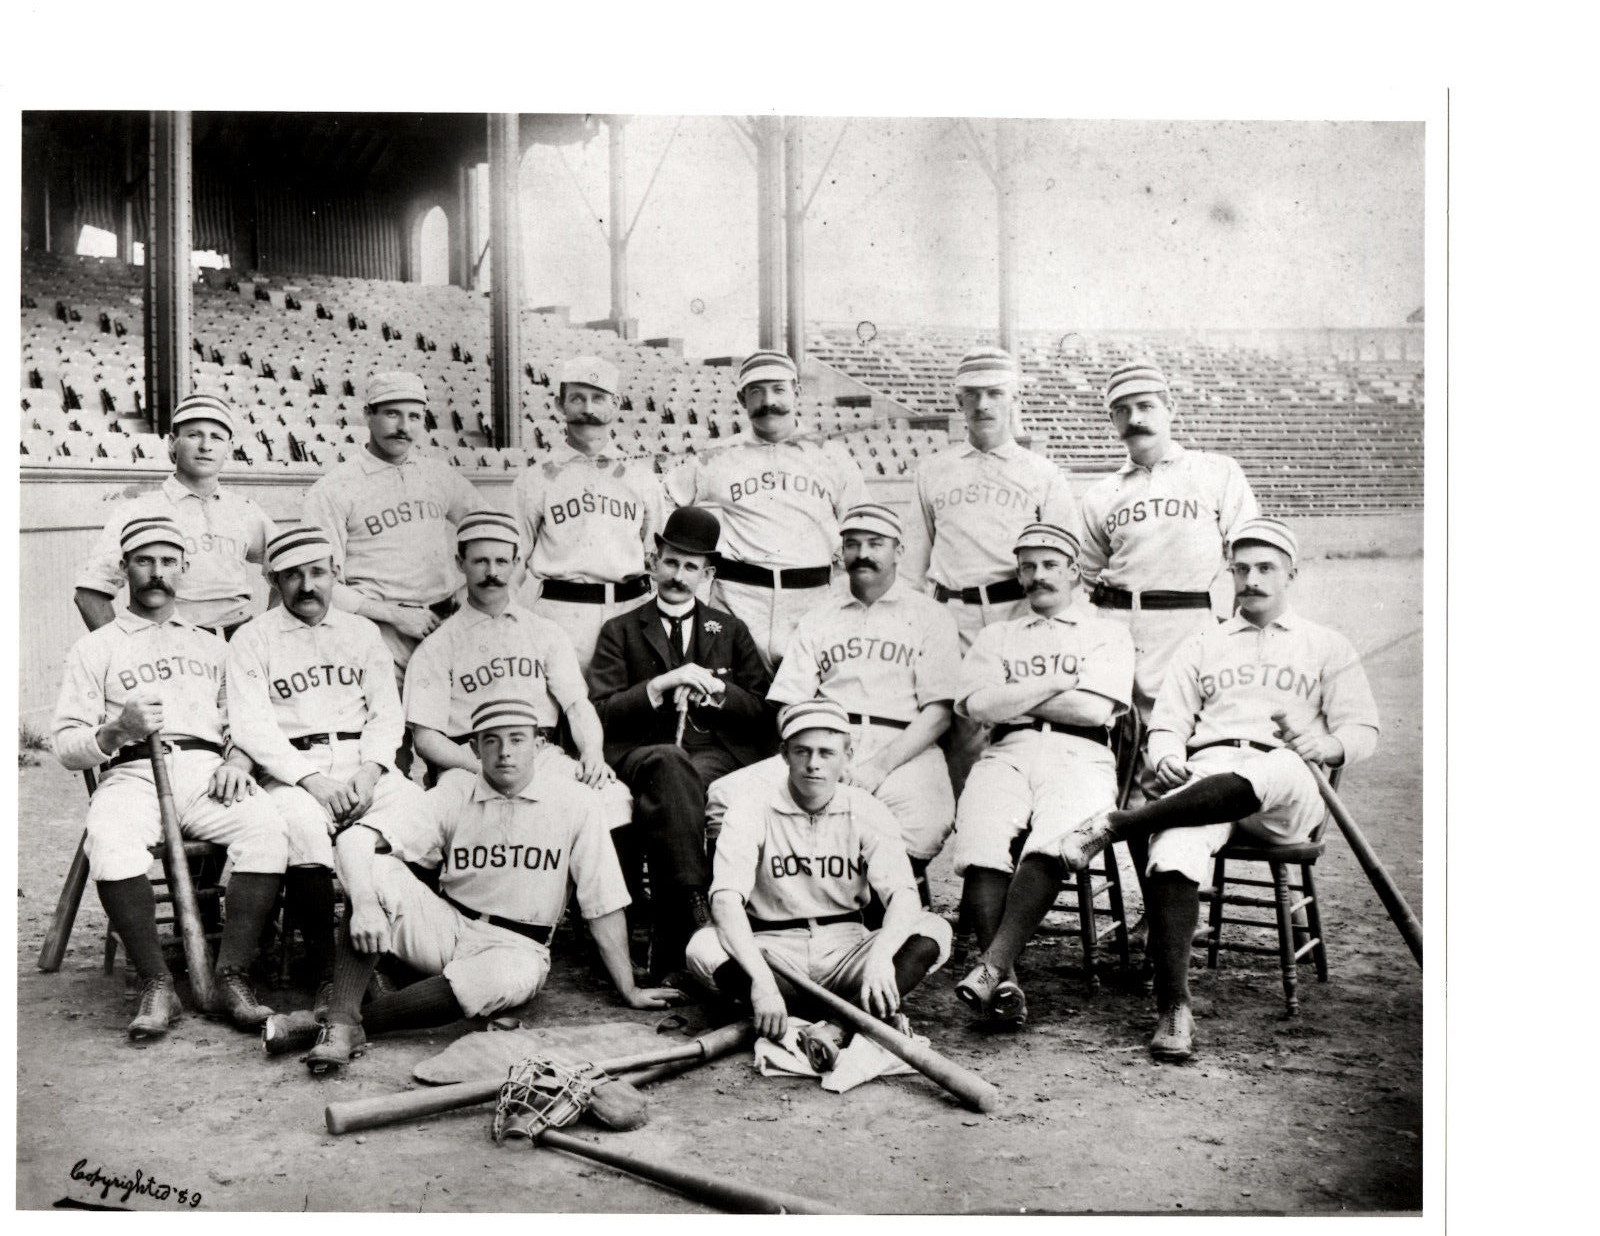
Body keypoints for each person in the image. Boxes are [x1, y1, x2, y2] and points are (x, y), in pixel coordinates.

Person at [1075, 517, 1379, 1062]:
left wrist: (1325, 746)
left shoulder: (1326, 645)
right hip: (1209, 779)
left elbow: (1362, 730)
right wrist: (1166, 754)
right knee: (1172, 853)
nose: (1252, 579)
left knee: (1276, 766)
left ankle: (1121, 825)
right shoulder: (1204, 642)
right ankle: (1175, 1008)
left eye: (1265, 568)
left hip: (1289, 787)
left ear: (1291, 573)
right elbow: (1167, 722)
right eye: (1241, 569)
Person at [269, 699, 682, 1073]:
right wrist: (365, 905)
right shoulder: (455, 793)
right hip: (448, 926)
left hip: (517, 946)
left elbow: (602, 902)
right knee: (374, 873)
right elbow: (354, 839)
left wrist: (628, 987)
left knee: (494, 978)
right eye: (492, 741)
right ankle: (341, 1021)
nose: (505, 752)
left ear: (538, 745)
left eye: (517, 739)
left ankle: (335, 1025)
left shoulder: (576, 801)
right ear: (475, 748)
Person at [53, 516, 289, 1038]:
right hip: (134, 772)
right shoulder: (97, 647)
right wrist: (116, 730)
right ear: (125, 568)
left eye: (167, 562)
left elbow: (246, 724)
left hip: (208, 771)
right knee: (110, 840)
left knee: (267, 829)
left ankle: (232, 976)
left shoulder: (214, 646)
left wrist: (238, 762)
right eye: (143, 561)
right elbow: (67, 745)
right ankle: (156, 983)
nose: (156, 573)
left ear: (183, 569)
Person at [225, 526, 428, 1016]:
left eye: (318, 572)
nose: (307, 585)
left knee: (421, 814)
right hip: (295, 768)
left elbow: (386, 712)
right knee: (298, 827)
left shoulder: (361, 633)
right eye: (292, 576)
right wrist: (311, 781)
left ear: (336, 574)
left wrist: (371, 771)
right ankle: (327, 974)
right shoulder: (253, 638)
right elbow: (252, 725)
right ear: (273, 580)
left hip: (363, 764)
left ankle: (400, 959)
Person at [685, 699, 953, 1062]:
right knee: (702, 946)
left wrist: (880, 959)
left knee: (934, 929)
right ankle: (854, 1016)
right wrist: (762, 982)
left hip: (846, 949)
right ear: (784, 754)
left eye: (827, 753)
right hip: (775, 952)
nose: (814, 763)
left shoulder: (865, 807)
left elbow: (903, 896)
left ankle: (835, 1027)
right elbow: (725, 901)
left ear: (847, 755)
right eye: (802, 751)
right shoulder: (751, 807)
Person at [724, 501, 960, 905]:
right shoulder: (819, 617)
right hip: (826, 738)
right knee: (727, 797)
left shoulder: (930, 616)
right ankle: (789, 911)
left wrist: (877, 766)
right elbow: (787, 703)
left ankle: (874, 914)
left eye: (875, 543)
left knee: (924, 819)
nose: (863, 553)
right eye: (852, 544)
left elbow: (938, 712)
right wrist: (819, 753)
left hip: (903, 747)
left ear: (899, 551)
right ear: (841, 552)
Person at [947, 523, 1134, 1027]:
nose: (1037, 576)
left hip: (1081, 755)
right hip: (1007, 751)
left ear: (1074, 571)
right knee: (982, 834)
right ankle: (1004, 983)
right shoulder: (998, 634)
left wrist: (1017, 692)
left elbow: (1094, 711)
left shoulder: (1107, 632)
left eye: (1050, 564)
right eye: (1027, 566)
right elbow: (979, 705)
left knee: (1056, 838)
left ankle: (990, 968)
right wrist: (1056, 680)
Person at [587, 506, 775, 978]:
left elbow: (763, 715)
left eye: (691, 566)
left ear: (708, 574)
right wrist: (661, 685)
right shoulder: (621, 630)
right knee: (672, 765)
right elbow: (601, 714)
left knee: (688, 774)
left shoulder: (729, 631)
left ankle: (676, 931)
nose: (678, 575)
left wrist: (718, 692)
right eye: (670, 562)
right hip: (641, 756)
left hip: (715, 757)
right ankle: (693, 907)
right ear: (653, 563)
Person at [899, 346, 1082, 799]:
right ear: (958, 402)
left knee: (1021, 725)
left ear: (1013, 399)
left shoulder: (1043, 473)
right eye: (972, 395)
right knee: (961, 735)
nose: (983, 405)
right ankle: (976, 853)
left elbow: (1064, 564)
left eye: (995, 394)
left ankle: (1023, 851)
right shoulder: (933, 471)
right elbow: (911, 565)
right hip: (952, 613)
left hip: (1017, 609)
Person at [402, 510, 630, 829]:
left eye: (501, 561)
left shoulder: (546, 633)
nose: (492, 572)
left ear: (516, 563)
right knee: (436, 818)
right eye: (480, 561)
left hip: (540, 754)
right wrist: (483, 766)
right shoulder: (437, 645)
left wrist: (592, 752)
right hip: (470, 760)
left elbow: (578, 706)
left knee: (612, 798)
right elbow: (426, 737)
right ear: (460, 563)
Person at [1078, 361, 1259, 724]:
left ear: (1170, 409)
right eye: (1121, 411)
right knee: (1117, 738)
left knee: (1179, 733)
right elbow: (1085, 577)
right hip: (1117, 624)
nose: (1134, 418)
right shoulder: (1100, 494)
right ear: (1112, 421)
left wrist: (1240, 630)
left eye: (1145, 406)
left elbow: (1249, 555)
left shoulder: (1216, 470)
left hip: (1189, 621)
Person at [665, 351, 867, 669]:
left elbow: (861, 524)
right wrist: (684, 558)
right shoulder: (718, 455)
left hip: (811, 599)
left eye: (778, 389)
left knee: (805, 710)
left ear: (797, 391)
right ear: (741, 398)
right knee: (732, 707)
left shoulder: (831, 454)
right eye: (756, 391)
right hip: (738, 600)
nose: (767, 401)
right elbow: (666, 497)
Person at [300, 370, 481, 683]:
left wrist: (470, 590)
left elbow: (491, 529)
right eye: (392, 414)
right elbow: (319, 581)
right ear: (368, 415)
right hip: (375, 629)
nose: (403, 427)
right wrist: (395, 615)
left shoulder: (438, 475)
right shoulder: (334, 488)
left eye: (414, 416)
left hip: (440, 622)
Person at [74, 392, 277, 638]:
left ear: (229, 448)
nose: (206, 446)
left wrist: (268, 636)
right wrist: (124, 652)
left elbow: (290, 570)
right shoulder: (140, 509)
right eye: (194, 435)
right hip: (174, 644)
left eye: (216, 437)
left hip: (239, 643)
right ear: (172, 442)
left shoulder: (244, 509)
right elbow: (89, 594)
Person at [511, 355, 665, 672]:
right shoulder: (535, 478)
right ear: (559, 404)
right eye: (577, 398)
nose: (588, 410)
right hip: (561, 613)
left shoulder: (641, 477)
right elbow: (514, 561)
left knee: (627, 712)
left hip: (630, 610)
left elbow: (657, 557)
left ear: (616, 403)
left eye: (598, 398)